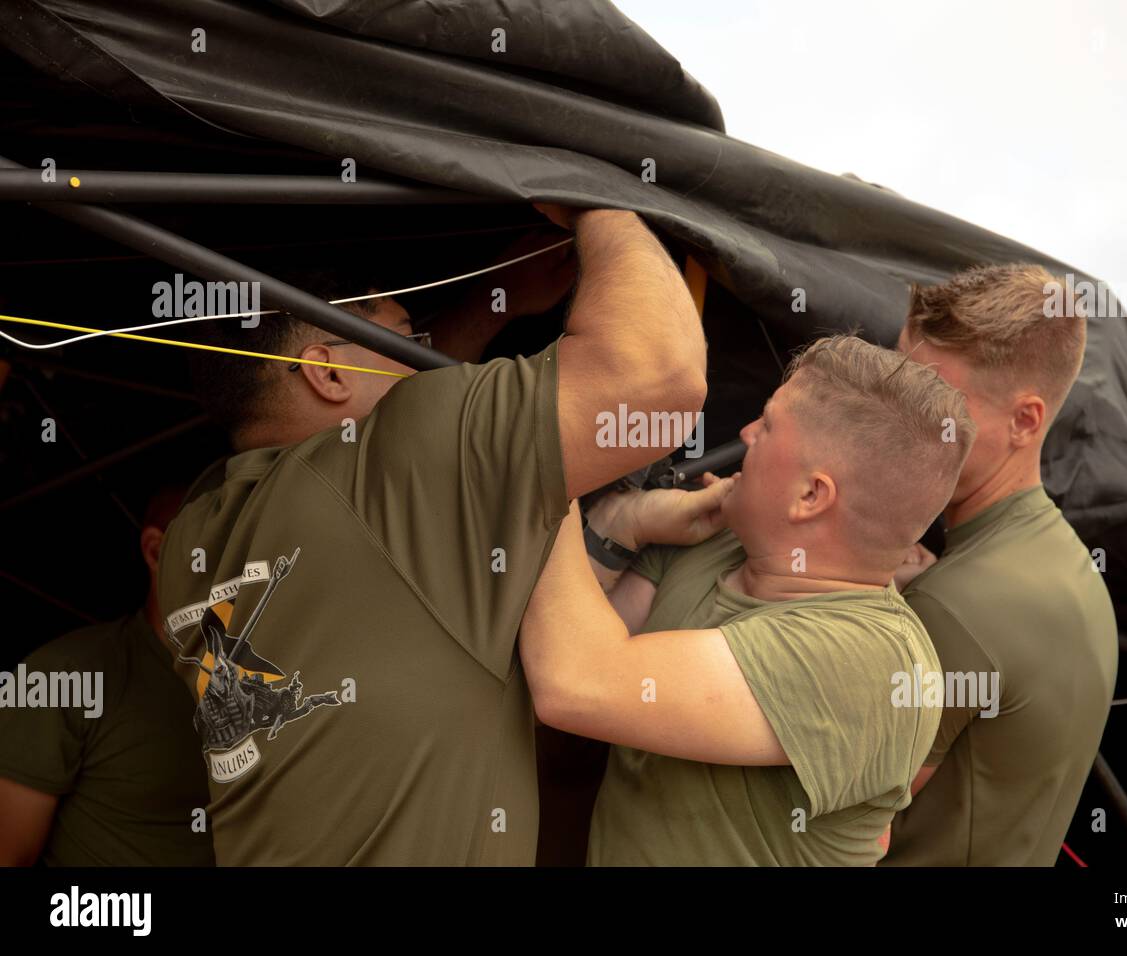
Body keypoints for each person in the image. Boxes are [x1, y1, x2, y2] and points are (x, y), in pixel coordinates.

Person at [157, 205, 707, 865]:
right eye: (408, 342)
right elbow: (659, 377)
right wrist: (603, 202)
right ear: (328, 374)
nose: (426, 360)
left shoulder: (193, 529)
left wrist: (491, 310)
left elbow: (393, 444)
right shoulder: (389, 469)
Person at [521, 336, 975, 865]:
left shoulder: (870, 661)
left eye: (768, 423)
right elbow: (546, 660)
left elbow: (574, 684)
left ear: (811, 495)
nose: (745, 433)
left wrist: (553, 452)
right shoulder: (718, 544)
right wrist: (625, 524)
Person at [883, 263, 1118, 867]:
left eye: (936, 403)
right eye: (898, 384)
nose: (897, 421)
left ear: (1025, 421)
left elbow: (829, 811)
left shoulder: (953, 606)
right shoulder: (1066, 564)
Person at [0, 486, 214, 867]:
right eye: (223, 538)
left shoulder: (280, 670)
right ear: (156, 551)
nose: (244, 558)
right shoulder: (59, 675)